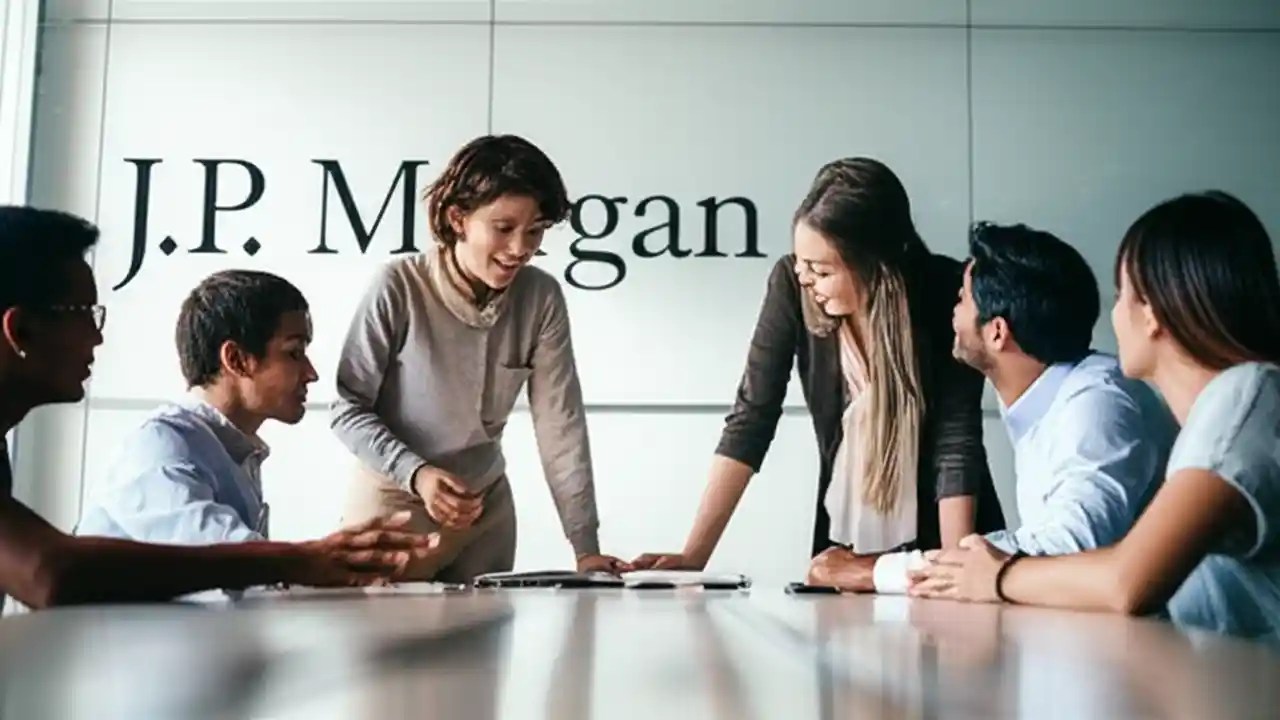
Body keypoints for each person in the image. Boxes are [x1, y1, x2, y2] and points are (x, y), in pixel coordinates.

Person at [0, 205, 437, 610]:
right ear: (19, 329)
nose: (96, 338)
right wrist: (301, 560)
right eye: (83, 314)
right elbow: (48, 573)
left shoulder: (231, 450)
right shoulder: (162, 445)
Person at [910, 191, 1280, 648]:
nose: (1114, 312)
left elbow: (1128, 581)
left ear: (1154, 313)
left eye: (1123, 293)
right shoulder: (1225, 408)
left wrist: (998, 576)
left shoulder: (1243, 400)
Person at [633, 157, 1005, 589]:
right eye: (802, 263)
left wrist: (956, 573)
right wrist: (693, 556)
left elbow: (955, 443)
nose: (805, 277)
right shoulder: (791, 287)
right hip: (840, 553)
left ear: (875, 264)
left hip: (945, 537)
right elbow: (752, 418)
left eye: (822, 269)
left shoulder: (945, 291)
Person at [332, 134, 625, 581]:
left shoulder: (541, 297)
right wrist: (418, 474)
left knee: (484, 648)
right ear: (458, 218)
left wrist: (586, 548)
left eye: (536, 230)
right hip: (392, 506)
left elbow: (560, 426)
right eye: (503, 228)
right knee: (381, 647)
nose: (520, 248)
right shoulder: (398, 286)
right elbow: (347, 408)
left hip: (484, 514)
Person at [77, 270, 318, 543]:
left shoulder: (232, 449)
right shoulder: (161, 447)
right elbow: (231, 561)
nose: (311, 373)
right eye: (295, 353)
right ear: (236, 359)